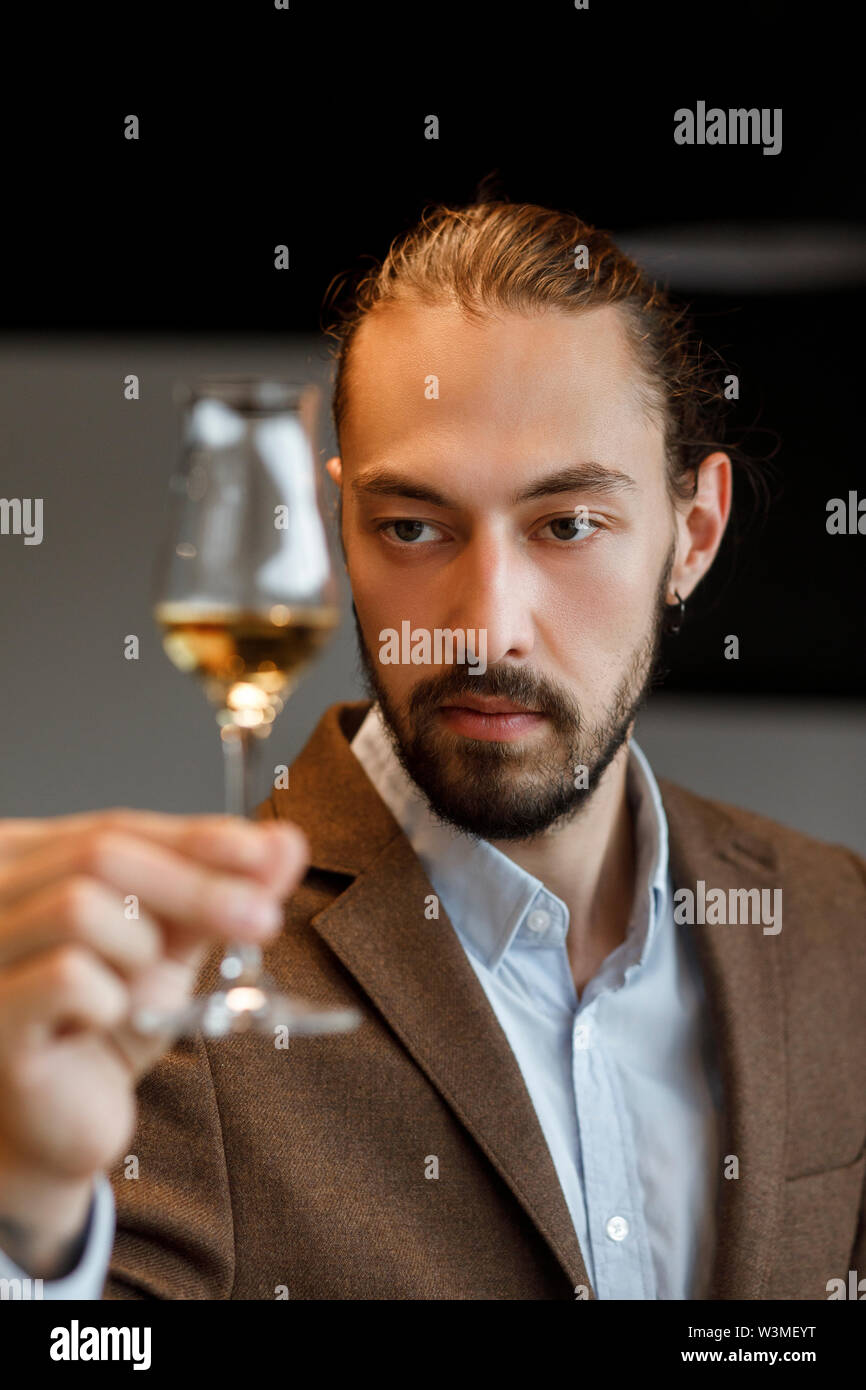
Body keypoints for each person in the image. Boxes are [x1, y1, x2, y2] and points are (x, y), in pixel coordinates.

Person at [1, 201, 863, 1300]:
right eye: (412, 525)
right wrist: (26, 1224)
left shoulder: (840, 922)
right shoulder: (165, 998)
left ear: (690, 534)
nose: (483, 626)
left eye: (565, 525)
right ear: (333, 533)